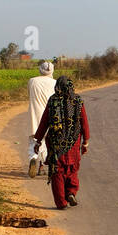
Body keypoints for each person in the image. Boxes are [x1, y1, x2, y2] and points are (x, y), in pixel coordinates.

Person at [32, 76, 89, 209]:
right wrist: (85, 141)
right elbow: (84, 122)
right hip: (73, 143)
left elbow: (44, 122)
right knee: (72, 168)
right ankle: (71, 192)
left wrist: (38, 140)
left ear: (57, 86)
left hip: (55, 143)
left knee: (57, 171)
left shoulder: (53, 100)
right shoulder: (78, 100)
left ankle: (61, 202)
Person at [26, 60, 55, 178]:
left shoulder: (32, 81)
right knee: (47, 142)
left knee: (34, 141)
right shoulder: (55, 83)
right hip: (49, 117)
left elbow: (29, 94)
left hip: (34, 115)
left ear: (40, 70)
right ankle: (43, 165)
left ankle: (33, 158)